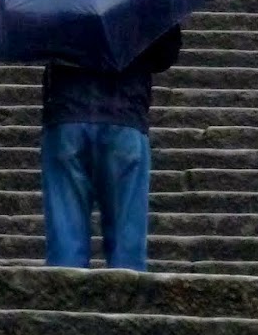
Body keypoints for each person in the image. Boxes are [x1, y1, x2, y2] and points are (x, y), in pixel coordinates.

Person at [40, 23, 182, 271]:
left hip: (67, 115)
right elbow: (165, 54)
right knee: (127, 248)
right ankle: (126, 294)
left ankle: (64, 293)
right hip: (124, 113)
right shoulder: (142, 0)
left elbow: (35, 41)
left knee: (65, 245)